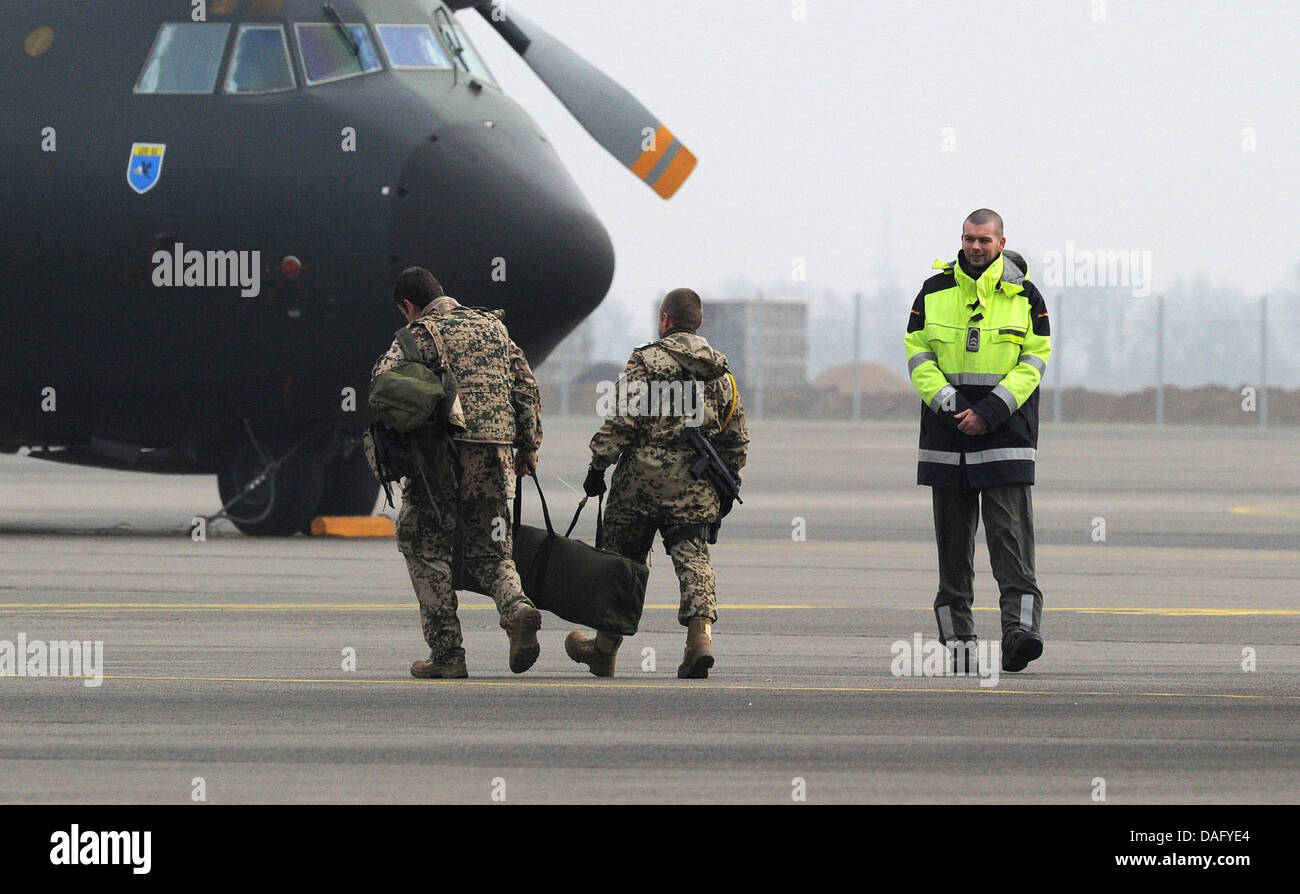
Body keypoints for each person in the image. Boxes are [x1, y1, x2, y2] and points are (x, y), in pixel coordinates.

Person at [566, 288, 749, 679]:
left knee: (623, 564)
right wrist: (729, 481)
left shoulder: (646, 362)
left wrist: (598, 465)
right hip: (695, 483)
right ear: (698, 322)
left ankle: (603, 649)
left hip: (639, 485)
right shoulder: (721, 372)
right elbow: (735, 435)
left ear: (665, 320)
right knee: (693, 558)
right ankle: (699, 639)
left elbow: (623, 419)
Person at [371, 267, 543, 678]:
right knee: (492, 551)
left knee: (423, 545)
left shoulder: (420, 334)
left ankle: (447, 653)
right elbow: (526, 387)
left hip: (442, 461)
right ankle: (518, 609)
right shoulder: (494, 328)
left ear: (409, 306)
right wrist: (528, 447)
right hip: (498, 458)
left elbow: (382, 382)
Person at [903, 210, 1052, 673]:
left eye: (984, 240)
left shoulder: (1026, 297)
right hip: (947, 440)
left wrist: (990, 412)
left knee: (1012, 548)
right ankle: (959, 646)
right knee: (953, 554)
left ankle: (1020, 635)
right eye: (968, 239)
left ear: (1001, 242)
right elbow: (917, 354)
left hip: (1005, 439)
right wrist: (950, 405)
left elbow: (1035, 360)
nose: (975, 247)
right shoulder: (933, 292)